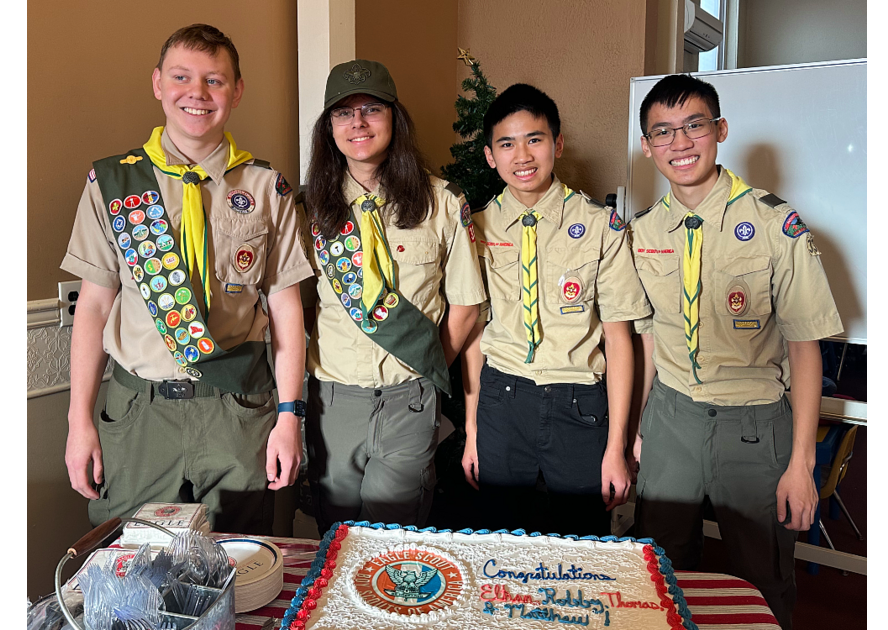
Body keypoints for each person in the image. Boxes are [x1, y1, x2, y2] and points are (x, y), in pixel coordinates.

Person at [60, 24, 312, 535]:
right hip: (140, 413)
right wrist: (77, 420)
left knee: (241, 559)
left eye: (214, 80)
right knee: (132, 561)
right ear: (158, 83)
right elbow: (93, 307)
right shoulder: (114, 184)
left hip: (236, 410)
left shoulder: (267, 188)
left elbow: (286, 310)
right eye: (181, 77)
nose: (197, 93)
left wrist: (289, 416)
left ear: (236, 91)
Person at [629, 73, 843, 630]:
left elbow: (805, 348)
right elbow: (649, 341)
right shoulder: (643, 232)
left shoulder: (774, 224)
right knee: (659, 574)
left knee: (763, 579)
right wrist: (637, 429)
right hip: (671, 419)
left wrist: (801, 464)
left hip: (754, 425)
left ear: (720, 130)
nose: (680, 143)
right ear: (648, 146)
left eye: (694, 126)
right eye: (663, 132)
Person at [301, 59, 484, 534]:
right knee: (335, 537)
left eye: (371, 109)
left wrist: (426, 365)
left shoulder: (443, 201)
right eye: (343, 113)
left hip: (410, 401)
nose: (358, 123)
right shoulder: (307, 208)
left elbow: (466, 306)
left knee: (393, 540)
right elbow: (296, 305)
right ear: (329, 128)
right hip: (333, 401)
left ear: (395, 118)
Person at [458, 83, 650, 537]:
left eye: (535, 139)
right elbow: (474, 334)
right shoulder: (476, 228)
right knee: (500, 540)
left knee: (583, 543)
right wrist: (472, 430)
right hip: (502, 400)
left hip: (579, 403)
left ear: (557, 144)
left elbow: (619, 339)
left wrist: (618, 445)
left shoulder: (601, 226)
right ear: (490, 156)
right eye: (507, 144)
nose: (522, 156)